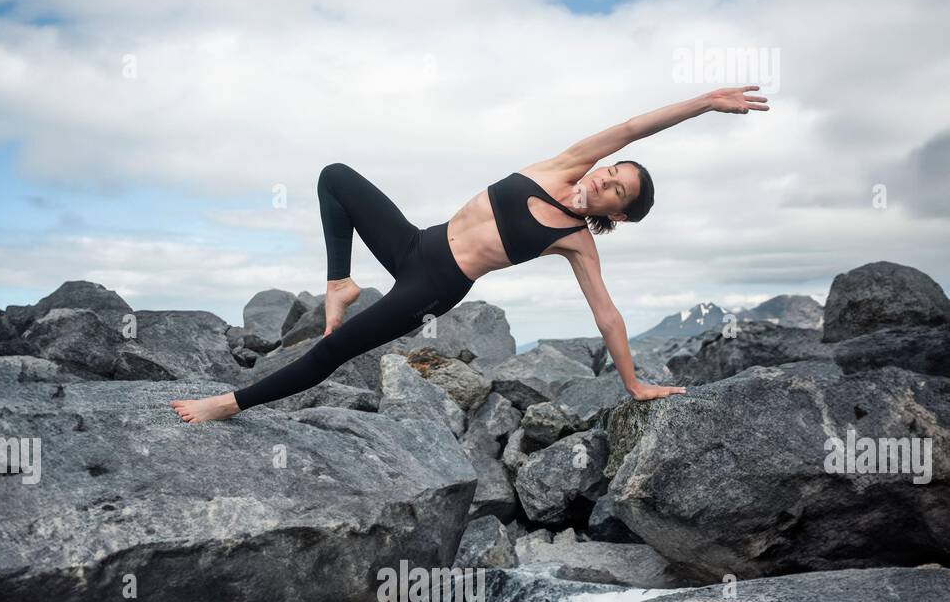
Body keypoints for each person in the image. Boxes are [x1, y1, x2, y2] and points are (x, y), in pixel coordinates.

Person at [171, 85, 768, 422]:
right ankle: (339, 284)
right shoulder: (564, 164)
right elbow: (635, 125)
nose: (606, 177)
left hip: (431, 287)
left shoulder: (576, 240)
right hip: (415, 243)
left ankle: (227, 404)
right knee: (335, 177)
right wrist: (706, 103)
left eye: (617, 189)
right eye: (612, 170)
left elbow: (606, 314)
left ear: (615, 213)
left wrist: (634, 385)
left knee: (334, 350)